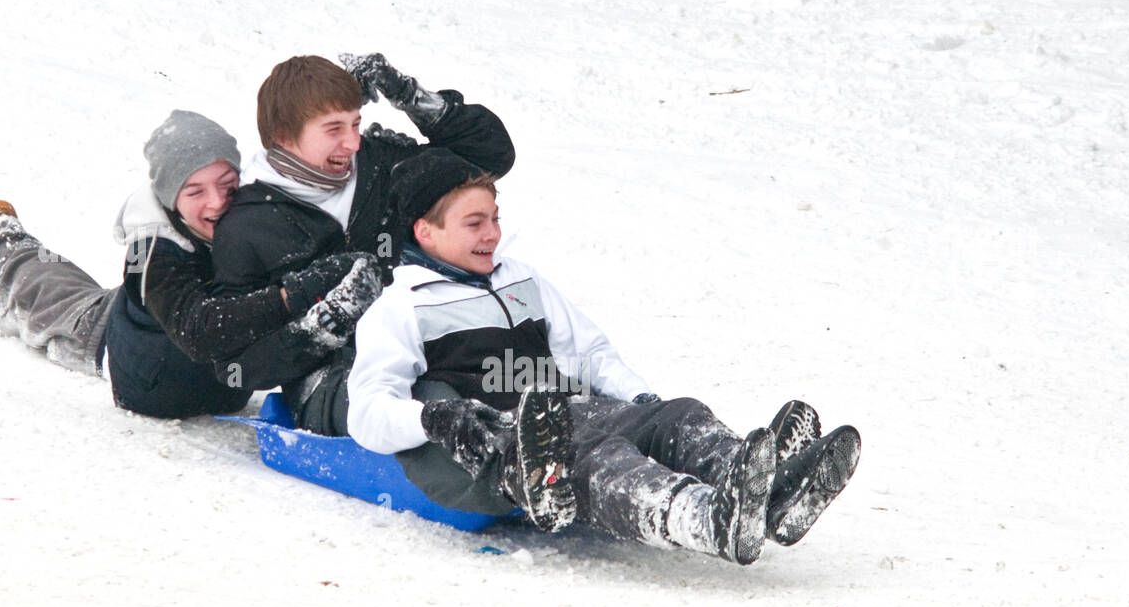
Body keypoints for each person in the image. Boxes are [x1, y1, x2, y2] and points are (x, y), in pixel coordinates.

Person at [345, 150, 861, 565]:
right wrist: (433, 417)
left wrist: (642, 400)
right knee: (596, 457)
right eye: (474, 223)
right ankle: (704, 517)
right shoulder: (403, 307)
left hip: (570, 405)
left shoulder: (520, 279)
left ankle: (770, 494)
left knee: (677, 417)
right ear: (425, 232)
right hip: (516, 439)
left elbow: (587, 350)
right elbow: (367, 412)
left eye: (495, 218)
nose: (492, 234)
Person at [0, 110, 373, 419]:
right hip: (122, 343)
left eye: (227, 185)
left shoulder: (249, 218)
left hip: (173, 305)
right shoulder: (150, 251)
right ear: (171, 196)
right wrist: (292, 294)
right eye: (195, 191)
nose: (216, 202)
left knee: (108, 296)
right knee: (55, 301)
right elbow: (199, 330)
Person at [203, 53, 516, 436]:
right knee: (436, 401)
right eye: (334, 129)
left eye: (355, 123)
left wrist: (408, 94)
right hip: (335, 383)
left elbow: (490, 156)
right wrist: (326, 322)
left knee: (516, 372)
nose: (352, 142)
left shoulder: (379, 165)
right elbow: (235, 368)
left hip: (423, 345)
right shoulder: (247, 226)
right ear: (284, 136)